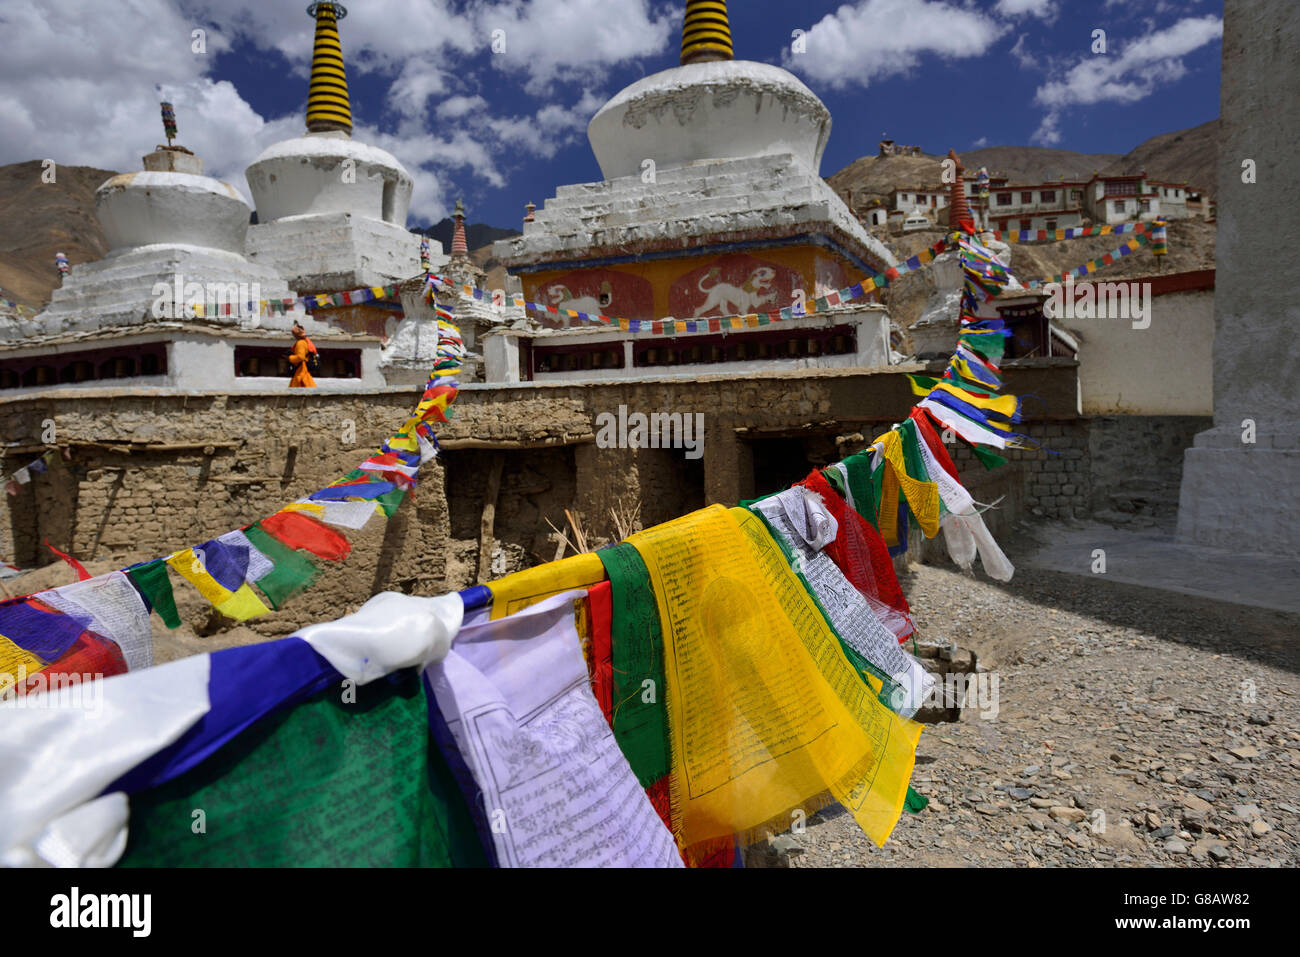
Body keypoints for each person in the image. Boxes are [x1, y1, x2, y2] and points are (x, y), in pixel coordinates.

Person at [288, 322, 318, 388]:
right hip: (301, 369)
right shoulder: (305, 341)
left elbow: (300, 357)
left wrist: (290, 358)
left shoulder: (300, 343)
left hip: (301, 370)